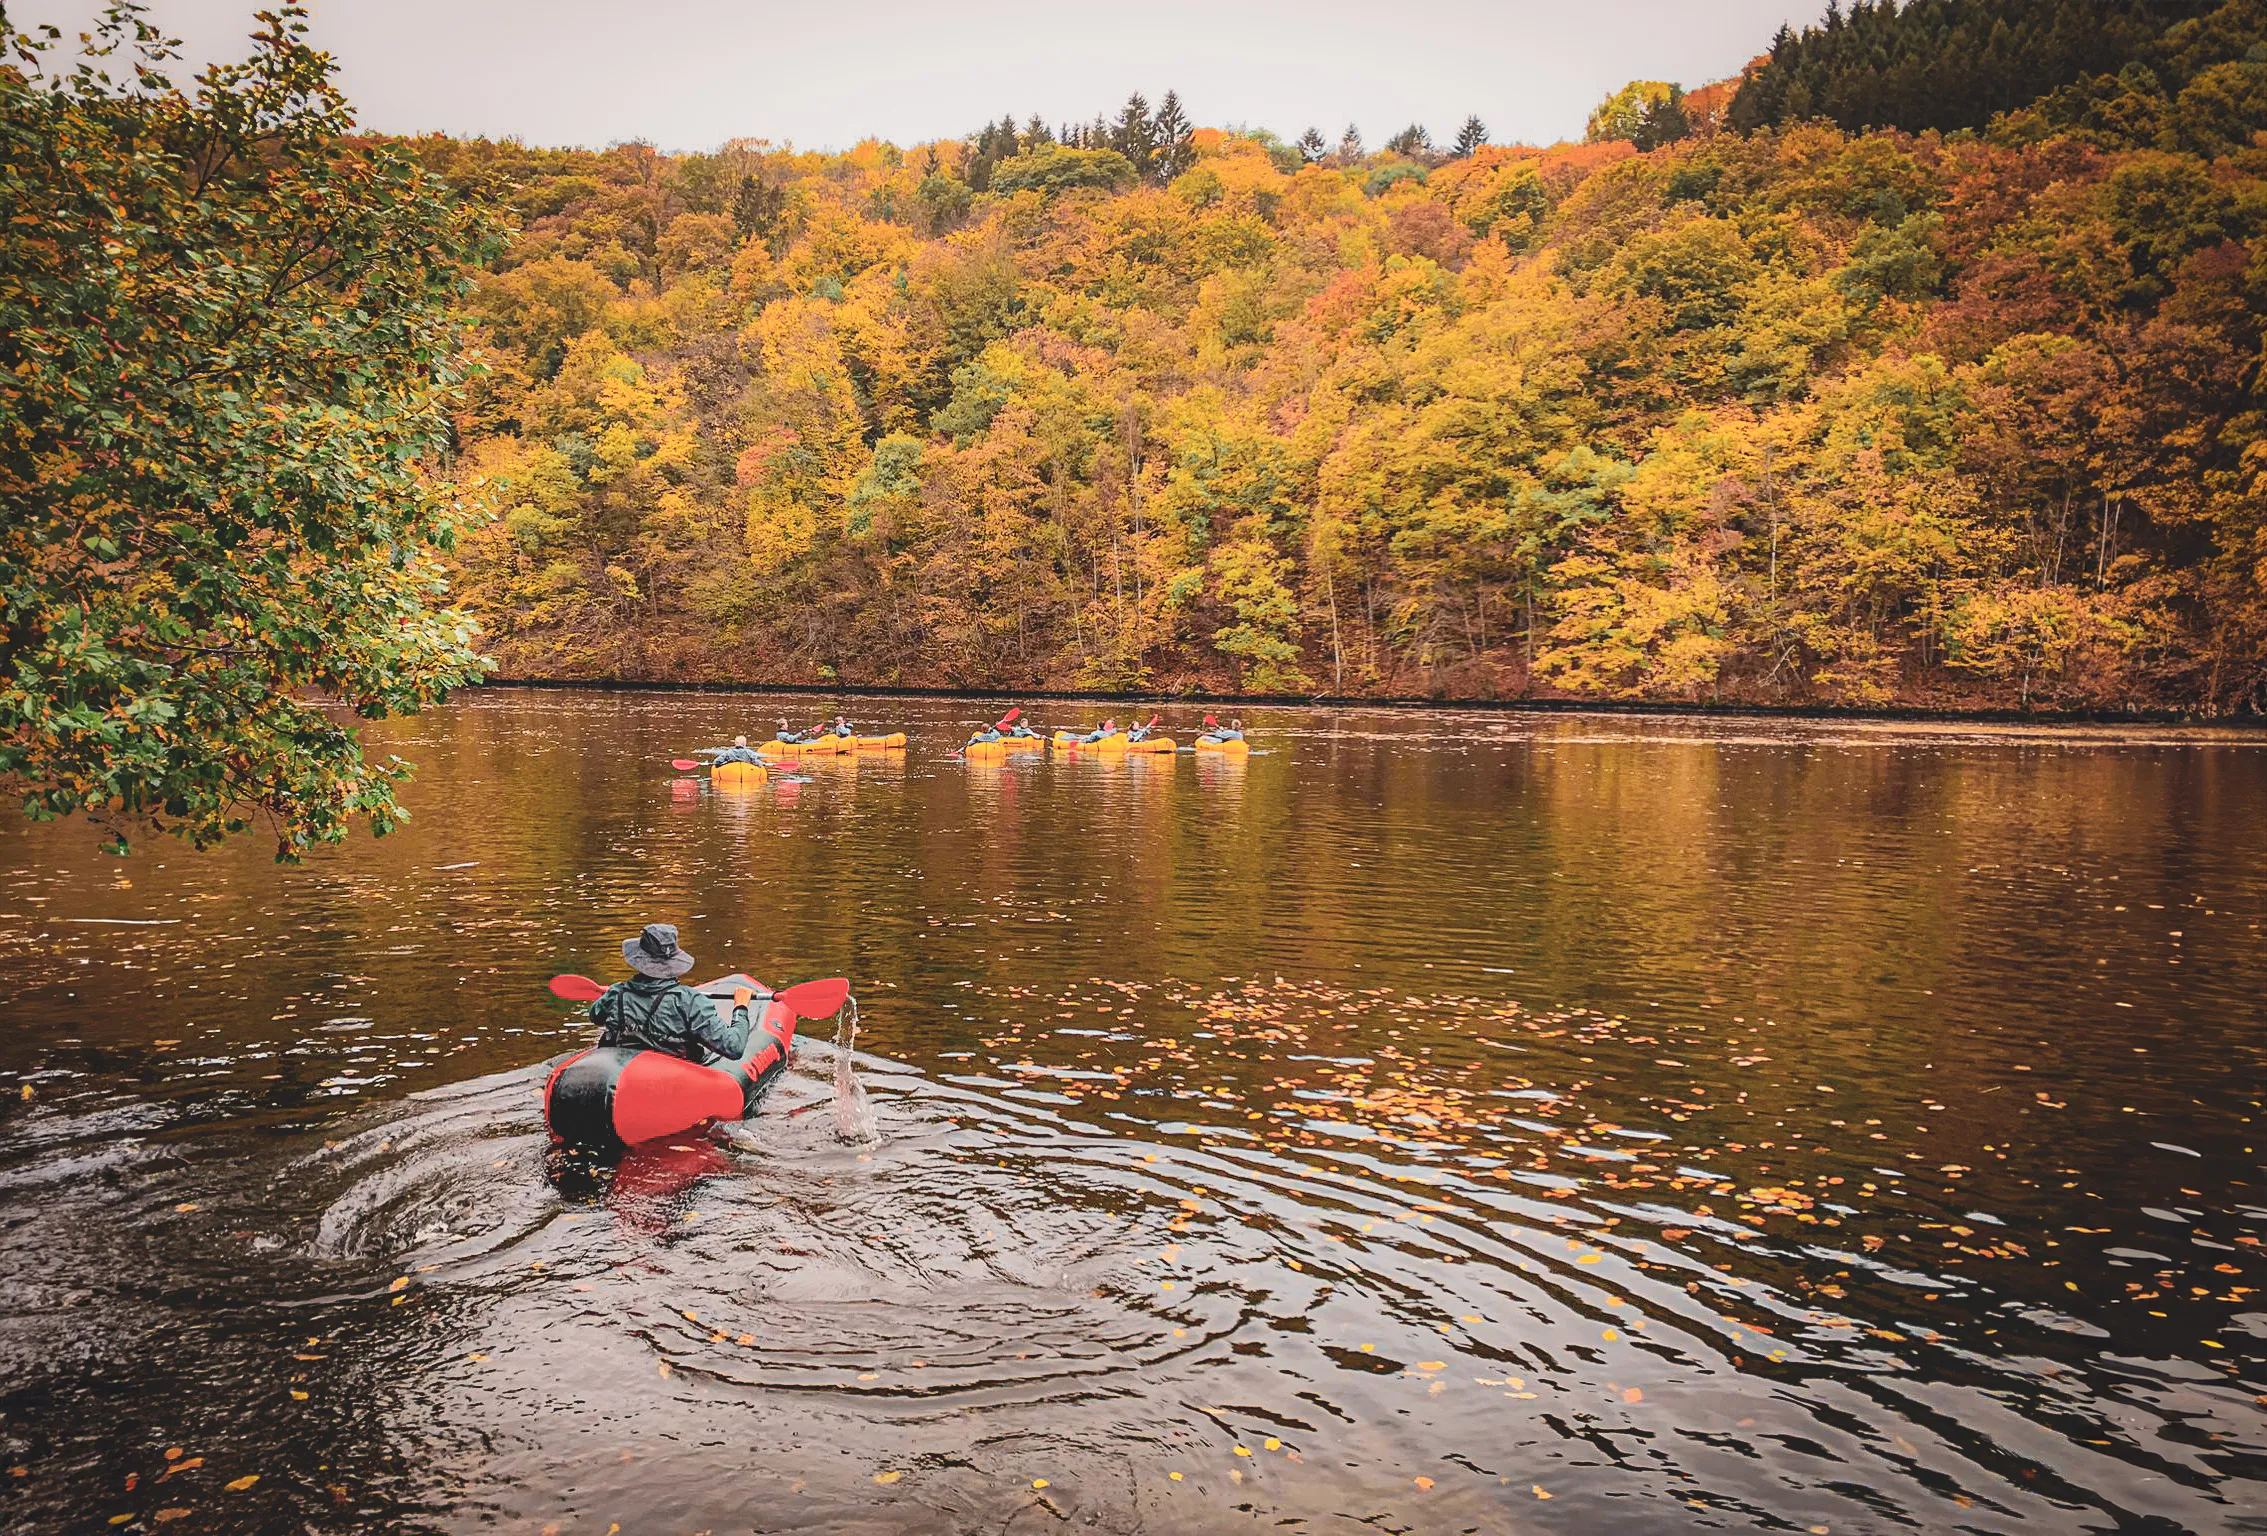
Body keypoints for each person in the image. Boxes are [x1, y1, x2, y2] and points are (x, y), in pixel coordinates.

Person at [590, 924, 753, 1066]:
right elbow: (733, 1047)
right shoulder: (689, 1001)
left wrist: (613, 995)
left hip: (621, 1070)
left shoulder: (616, 993)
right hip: (672, 1079)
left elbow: (595, 1016)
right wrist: (741, 1007)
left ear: (639, 958)